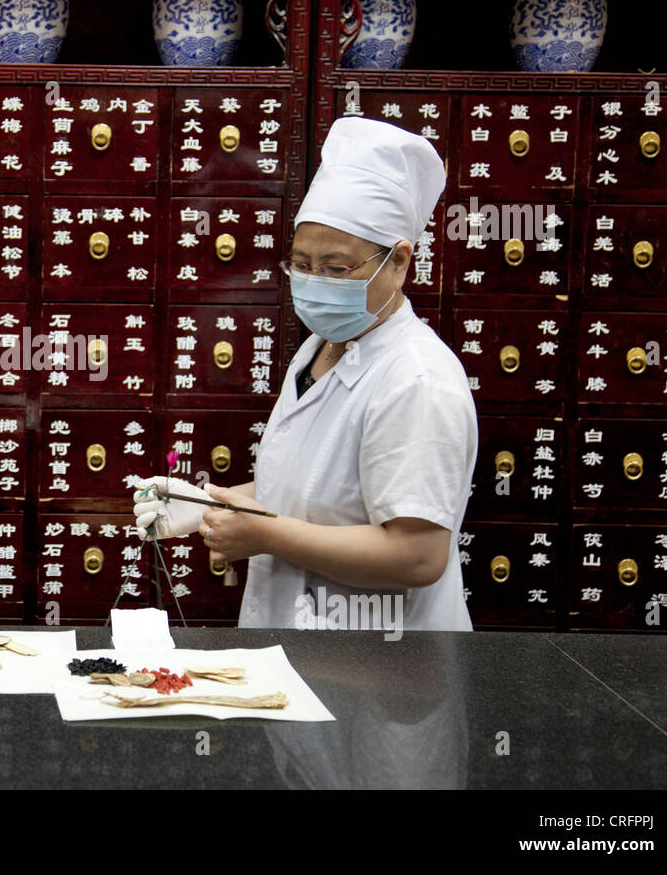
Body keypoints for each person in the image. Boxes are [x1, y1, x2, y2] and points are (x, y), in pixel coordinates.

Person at [134, 116, 476, 631]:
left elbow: (419, 556)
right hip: (304, 649)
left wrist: (266, 536)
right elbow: (313, 488)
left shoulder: (417, 381)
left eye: (336, 269)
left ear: (399, 262)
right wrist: (209, 502)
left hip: (384, 672)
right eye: (301, 263)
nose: (314, 283)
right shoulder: (322, 349)